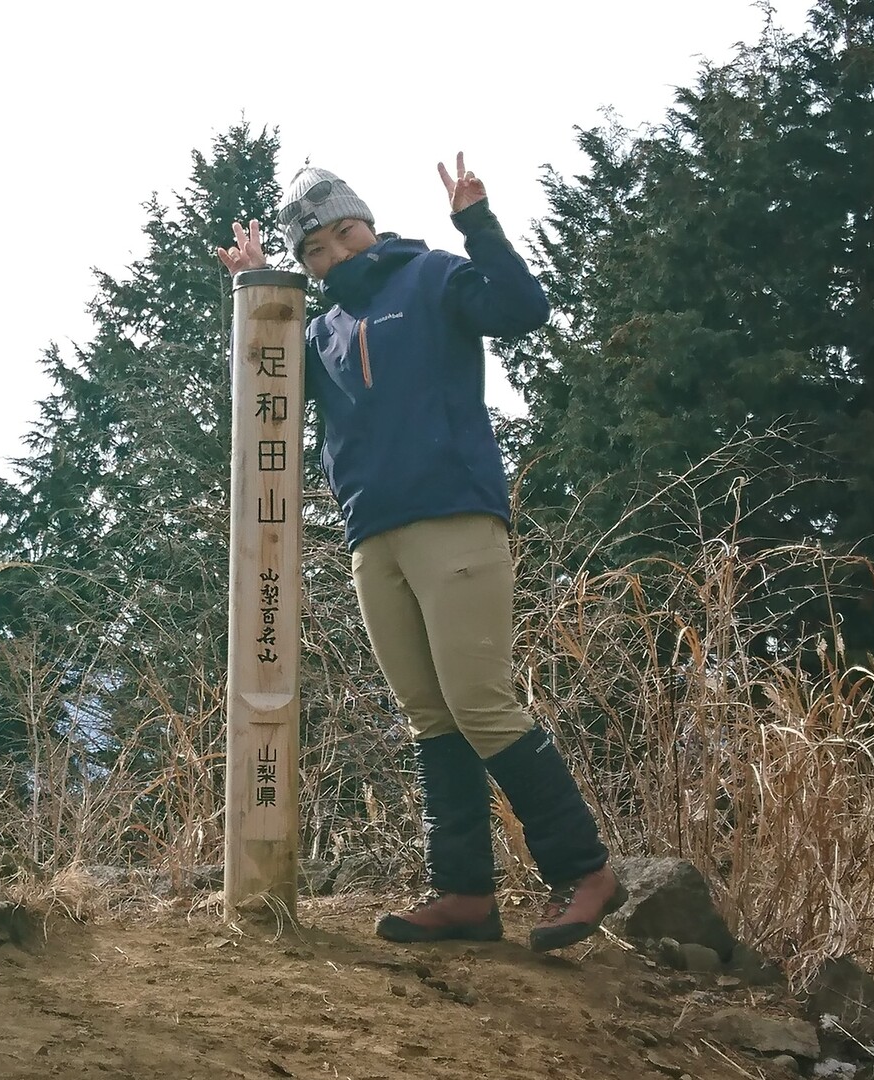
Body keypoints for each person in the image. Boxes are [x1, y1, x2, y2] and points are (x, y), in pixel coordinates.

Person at [216, 155, 623, 951]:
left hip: (455, 517)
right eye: (317, 251)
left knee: (479, 702)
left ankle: (586, 873)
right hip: (372, 534)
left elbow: (522, 308)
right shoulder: (321, 330)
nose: (337, 253)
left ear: (368, 222)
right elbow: (269, 392)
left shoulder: (433, 277)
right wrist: (262, 288)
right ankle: (465, 895)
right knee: (429, 716)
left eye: (345, 232)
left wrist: (476, 222)